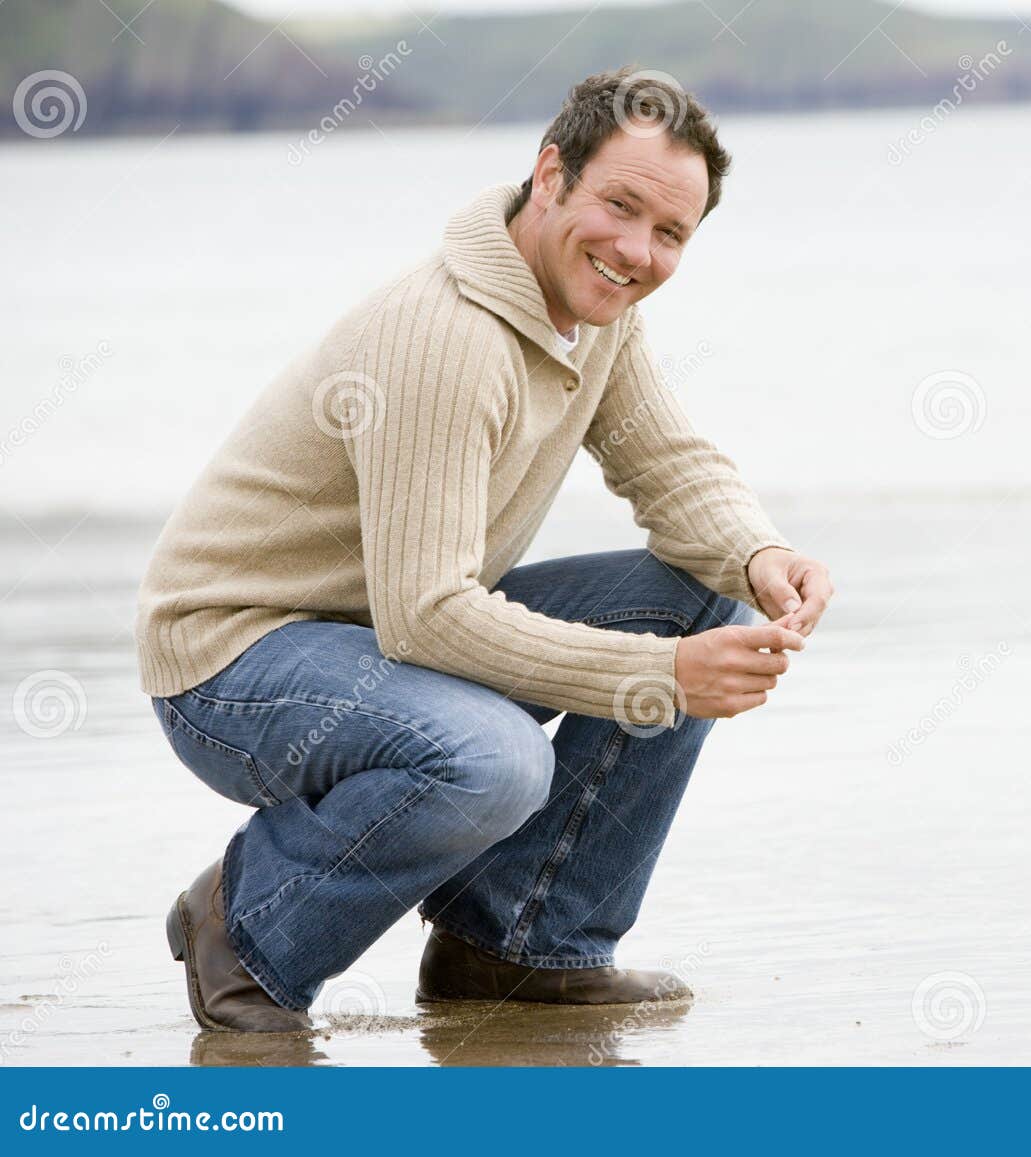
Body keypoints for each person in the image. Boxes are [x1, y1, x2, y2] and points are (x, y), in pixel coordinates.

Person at [135, 68, 834, 1033]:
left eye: (669, 232)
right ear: (550, 175)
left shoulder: (597, 308)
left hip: (377, 637)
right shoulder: (448, 339)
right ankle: (247, 924)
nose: (636, 251)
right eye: (619, 207)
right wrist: (661, 671)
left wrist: (760, 554)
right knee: (497, 762)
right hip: (235, 662)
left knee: (705, 595)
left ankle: (518, 944)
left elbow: (667, 466)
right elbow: (428, 615)